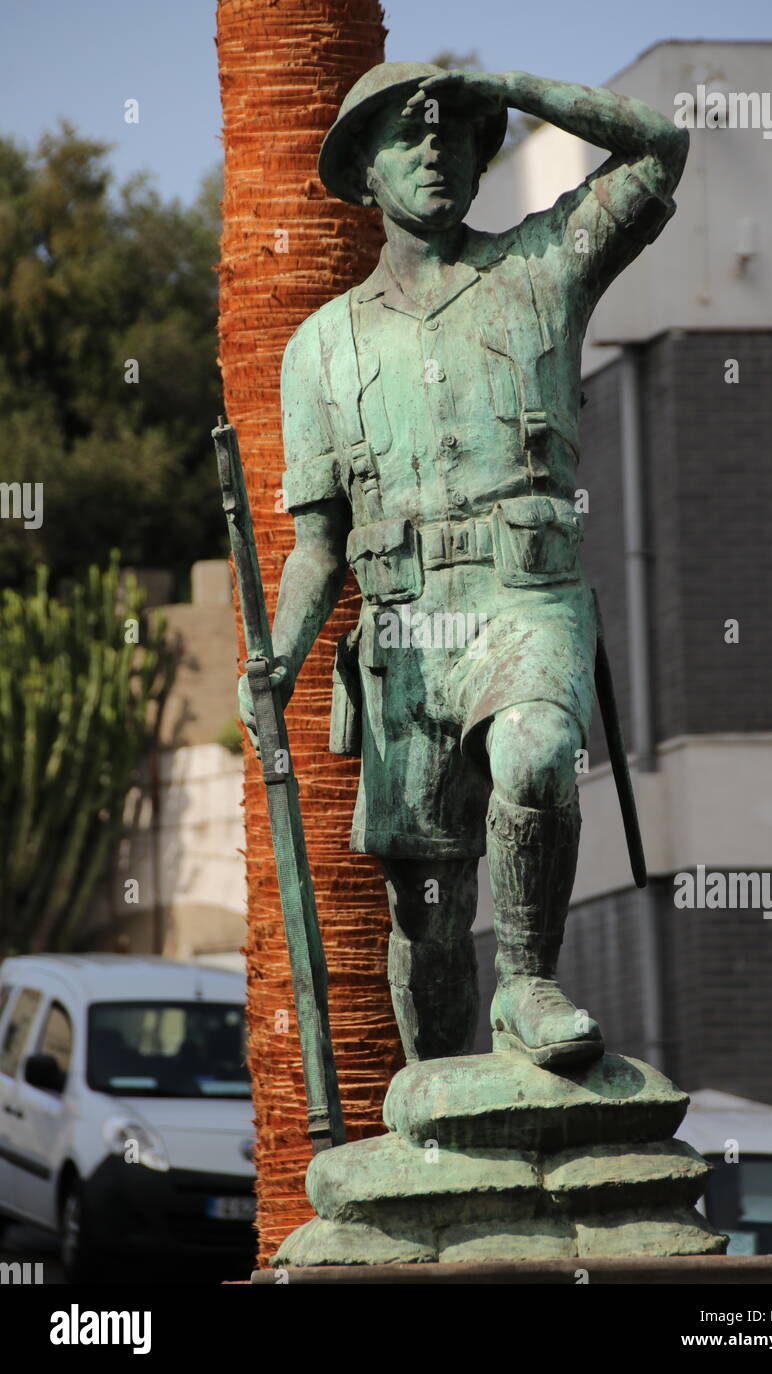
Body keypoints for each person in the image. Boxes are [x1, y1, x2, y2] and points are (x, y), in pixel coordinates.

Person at [240, 63, 688, 1071]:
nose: (437, 150)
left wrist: (516, 89)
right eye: (410, 136)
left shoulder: (543, 266)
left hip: (526, 596)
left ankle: (527, 985)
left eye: (457, 134)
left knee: (534, 753)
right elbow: (317, 548)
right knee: (427, 909)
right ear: (362, 173)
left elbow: (660, 146)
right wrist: (277, 654)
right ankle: (435, 1086)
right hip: (402, 635)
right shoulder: (319, 349)